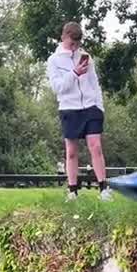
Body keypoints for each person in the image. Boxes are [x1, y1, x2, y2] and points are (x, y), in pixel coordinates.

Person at [47, 21, 109, 200]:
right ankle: (72, 190)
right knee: (72, 151)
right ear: (64, 37)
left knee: (96, 147)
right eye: (72, 43)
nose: (75, 47)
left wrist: (99, 106)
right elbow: (58, 88)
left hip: (90, 107)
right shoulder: (54, 60)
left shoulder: (86, 57)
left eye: (78, 44)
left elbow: (94, 84)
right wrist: (74, 74)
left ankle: (103, 188)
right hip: (69, 108)